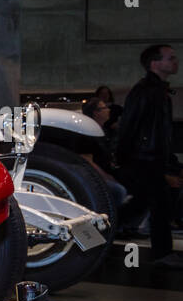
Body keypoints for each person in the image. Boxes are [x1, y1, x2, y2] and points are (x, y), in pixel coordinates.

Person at [116, 44, 181, 268]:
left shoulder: (158, 91)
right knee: (158, 204)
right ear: (155, 64)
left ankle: (95, 232)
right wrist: (123, 158)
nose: (175, 62)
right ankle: (162, 254)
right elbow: (129, 125)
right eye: (170, 58)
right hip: (144, 159)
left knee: (143, 203)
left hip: (150, 158)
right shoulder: (146, 91)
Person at [78, 98, 127, 207]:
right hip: (96, 177)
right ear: (96, 113)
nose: (108, 110)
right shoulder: (87, 134)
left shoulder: (104, 131)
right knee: (118, 190)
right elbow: (88, 161)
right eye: (104, 108)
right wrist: (106, 177)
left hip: (109, 171)